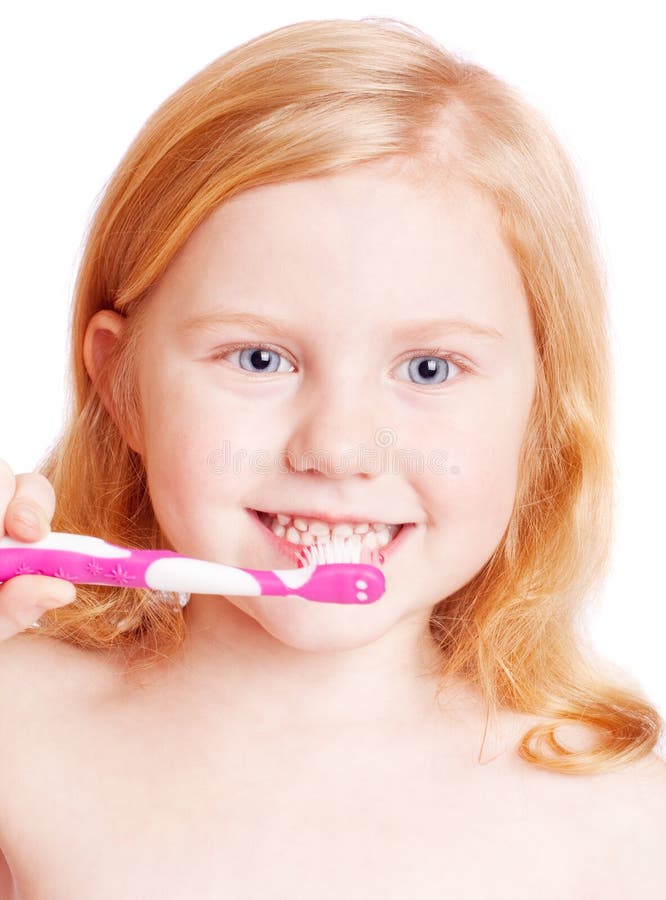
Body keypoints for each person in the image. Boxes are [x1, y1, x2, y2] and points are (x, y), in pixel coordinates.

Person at [0, 16, 663, 899]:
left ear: (539, 408)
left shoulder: (622, 823)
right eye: (260, 360)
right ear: (123, 389)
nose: (340, 448)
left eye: (429, 368)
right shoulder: (17, 742)